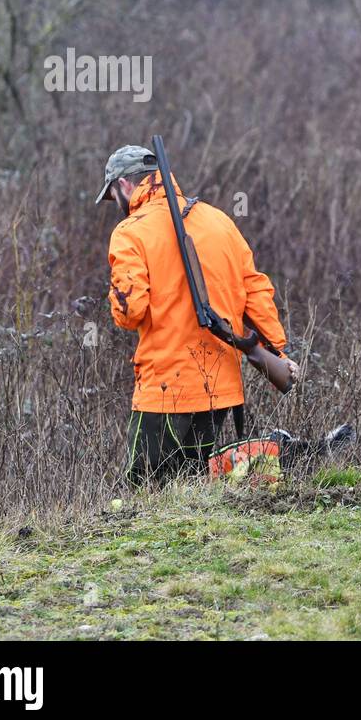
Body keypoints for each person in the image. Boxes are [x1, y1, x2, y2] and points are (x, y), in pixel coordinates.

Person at [97, 144, 297, 486]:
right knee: (194, 488)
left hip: (164, 389)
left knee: (146, 491)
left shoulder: (130, 232)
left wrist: (114, 296)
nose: (116, 204)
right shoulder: (219, 220)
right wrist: (276, 350)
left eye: (113, 194)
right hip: (221, 389)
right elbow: (256, 291)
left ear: (125, 186)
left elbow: (130, 312)